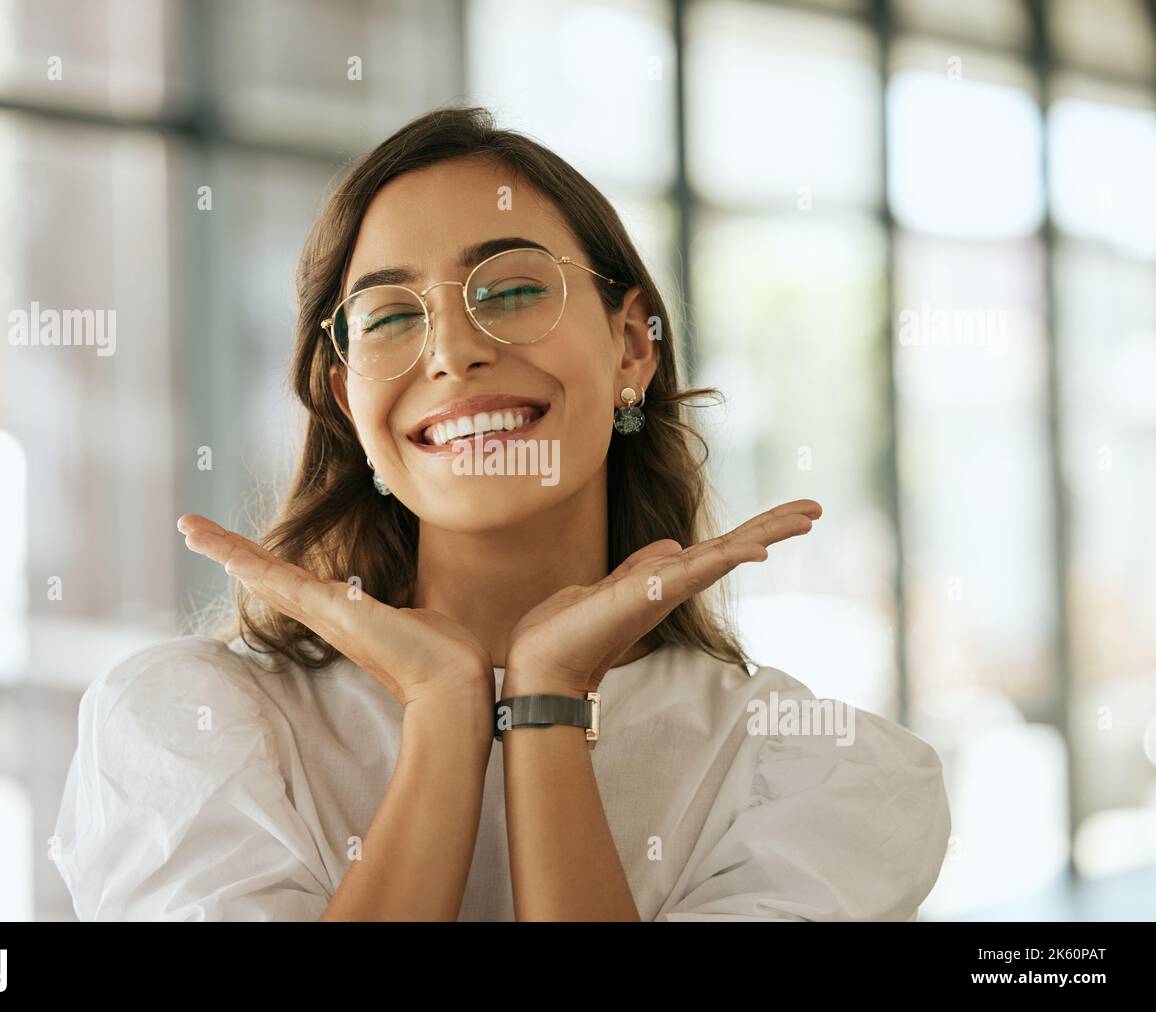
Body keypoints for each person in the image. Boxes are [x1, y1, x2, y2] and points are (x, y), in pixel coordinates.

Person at [51, 105, 951, 922]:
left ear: (632, 345)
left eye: (513, 291)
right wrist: (445, 714)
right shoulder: (190, 729)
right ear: (345, 400)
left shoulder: (809, 775)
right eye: (389, 317)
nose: (452, 351)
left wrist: (547, 703)